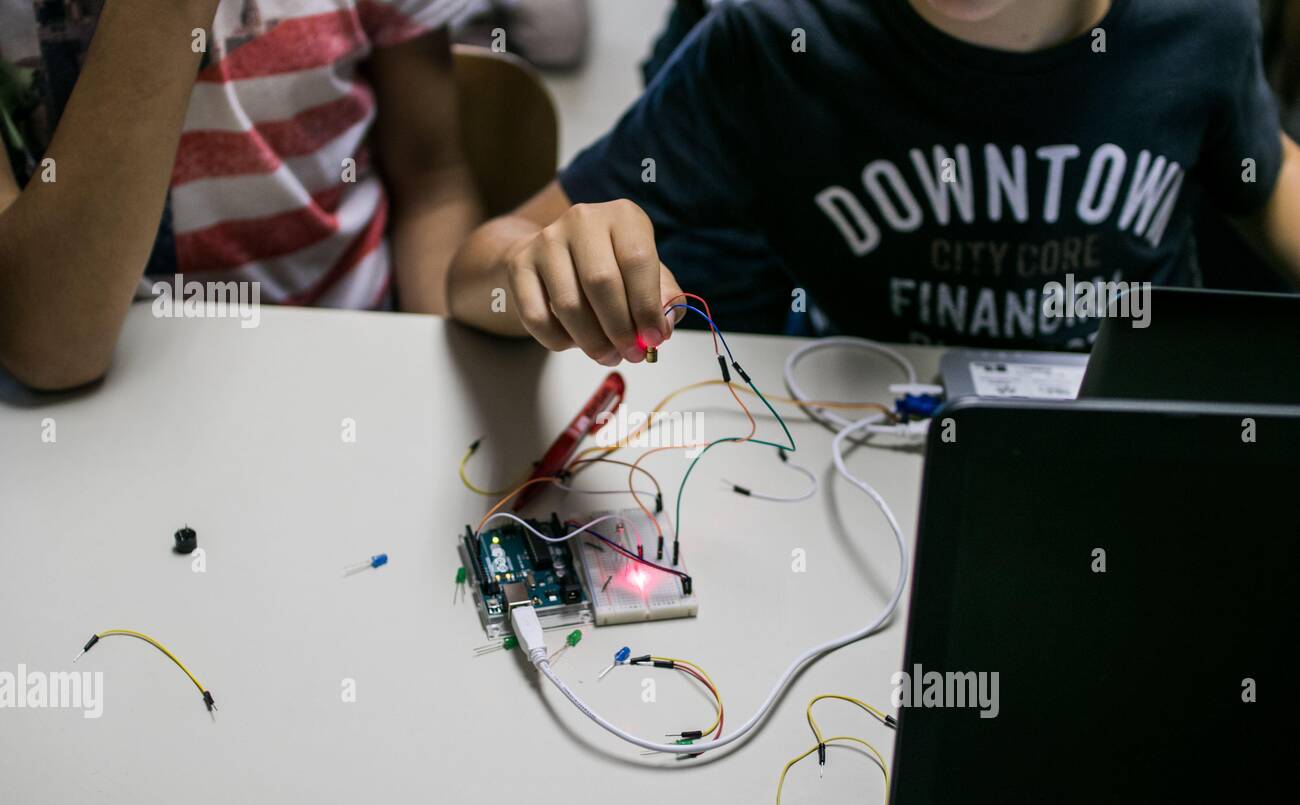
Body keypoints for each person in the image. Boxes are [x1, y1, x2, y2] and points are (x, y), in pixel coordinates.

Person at [447, 0, 1300, 368]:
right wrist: (536, 270)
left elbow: (1264, 177)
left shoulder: (1201, 28)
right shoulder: (773, 43)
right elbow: (474, 274)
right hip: (868, 466)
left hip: (1122, 450)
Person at [0, 0, 482, 389]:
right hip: (105, 403)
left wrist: (429, 386)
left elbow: (433, 187)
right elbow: (50, 349)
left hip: (350, 362)